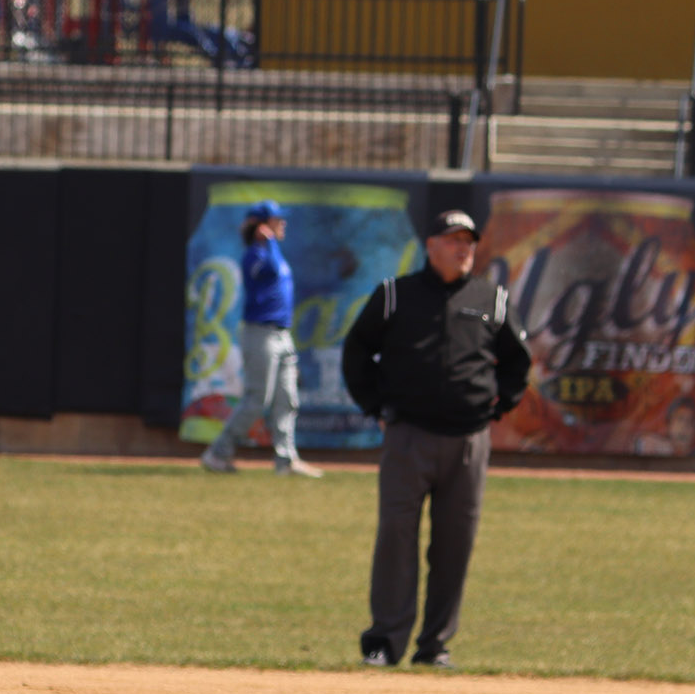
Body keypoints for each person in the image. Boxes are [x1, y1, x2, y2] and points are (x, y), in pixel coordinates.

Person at [342, 208, 531, 670]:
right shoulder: (395, 295)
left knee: (454, 544)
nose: (463, 249)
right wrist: (376, 407)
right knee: (396, 538)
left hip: (468, 441)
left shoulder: (493, 299)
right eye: (453, 240)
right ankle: (385, 642)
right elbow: (357, 350)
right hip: (408, 436)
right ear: (430, 246)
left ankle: (435, 646)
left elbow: (517, 361)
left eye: (468, 241)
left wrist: (499, 405)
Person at [200, 200, 323, 477]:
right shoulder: (256, 254)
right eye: (277, 220)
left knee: (287, 399)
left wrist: (271, 241)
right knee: (257, 400)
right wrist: (266, 240)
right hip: (260, 334)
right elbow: (267, 269)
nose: (283, 224)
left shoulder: (272, 251)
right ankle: (217, 454)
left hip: (282, 334)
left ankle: (286, 460)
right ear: (262, 226)